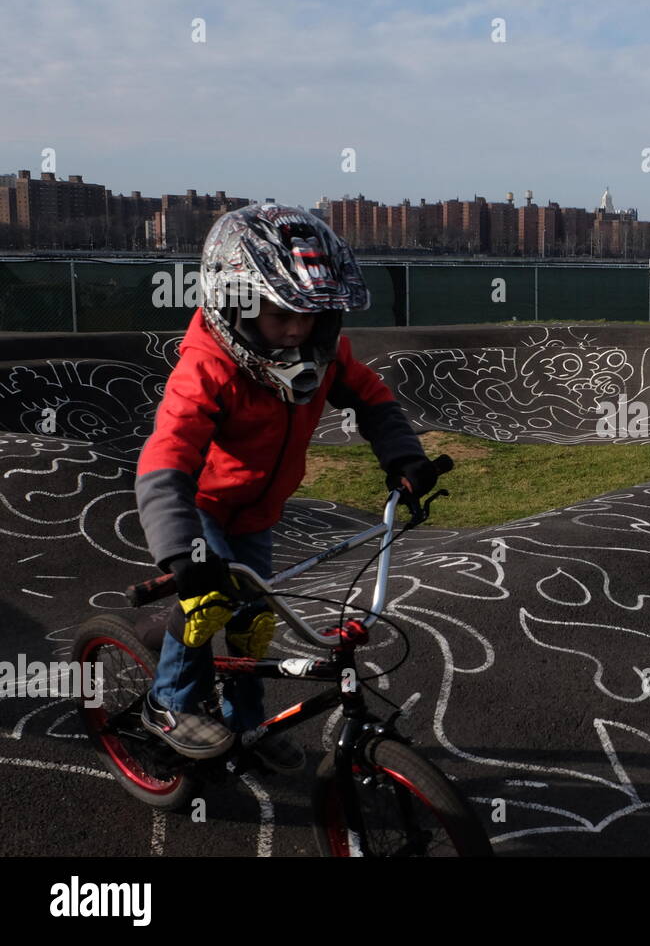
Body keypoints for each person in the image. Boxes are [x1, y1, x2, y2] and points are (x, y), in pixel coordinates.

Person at [134, 203, 445, 771]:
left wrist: (405, 458)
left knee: (254, 626)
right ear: (235, 305)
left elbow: (374, 401)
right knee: (209, 602)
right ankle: (170, 703)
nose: (299, 330)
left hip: (258, 513)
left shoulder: (323, 357)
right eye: (281, 314)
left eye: (313, 315)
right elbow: (167, 456)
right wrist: (178, 547)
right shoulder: (207, 368)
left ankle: (246, 720)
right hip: (201, 507)